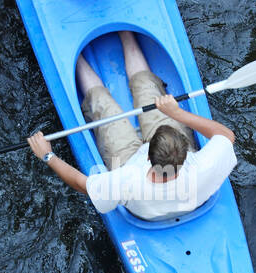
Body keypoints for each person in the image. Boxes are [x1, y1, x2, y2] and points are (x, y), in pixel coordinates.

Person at [26, 31, 237, 221]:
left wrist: (48, 156)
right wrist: (177, 113)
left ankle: (76, 59)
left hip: (126, 161)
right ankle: (126, 34)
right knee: (147, 88)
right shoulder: (203, 166)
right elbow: (225, 135)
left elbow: (83, 185)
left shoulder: (126, 181)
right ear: (185, 154)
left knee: (103, 108)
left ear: (147, 156)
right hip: (167, 179)